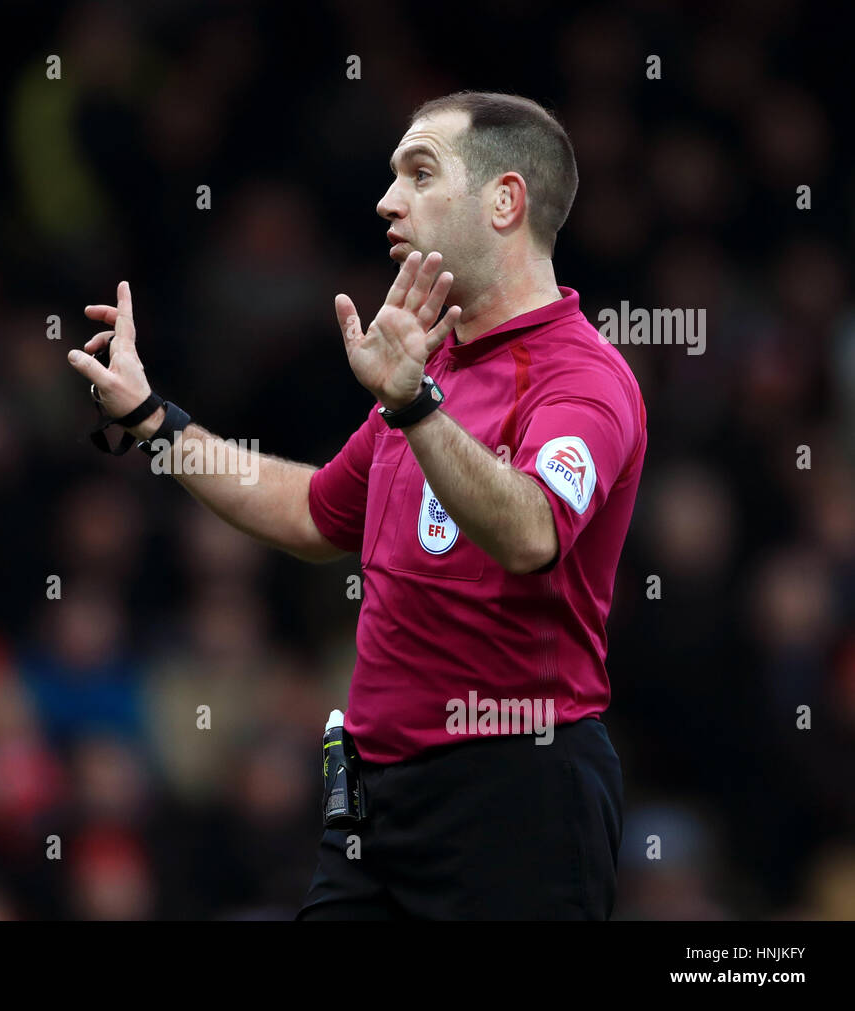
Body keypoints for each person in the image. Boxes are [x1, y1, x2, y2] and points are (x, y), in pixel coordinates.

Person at [66, 91, 646, 920]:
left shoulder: (581, 379)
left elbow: (531, 530)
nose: (388, 200)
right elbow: (312, 514)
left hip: (516, 791)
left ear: (505, 200)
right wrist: (154, 423)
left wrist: (414, 407)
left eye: (419, 171)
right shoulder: (427, 365)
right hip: (372, 803)